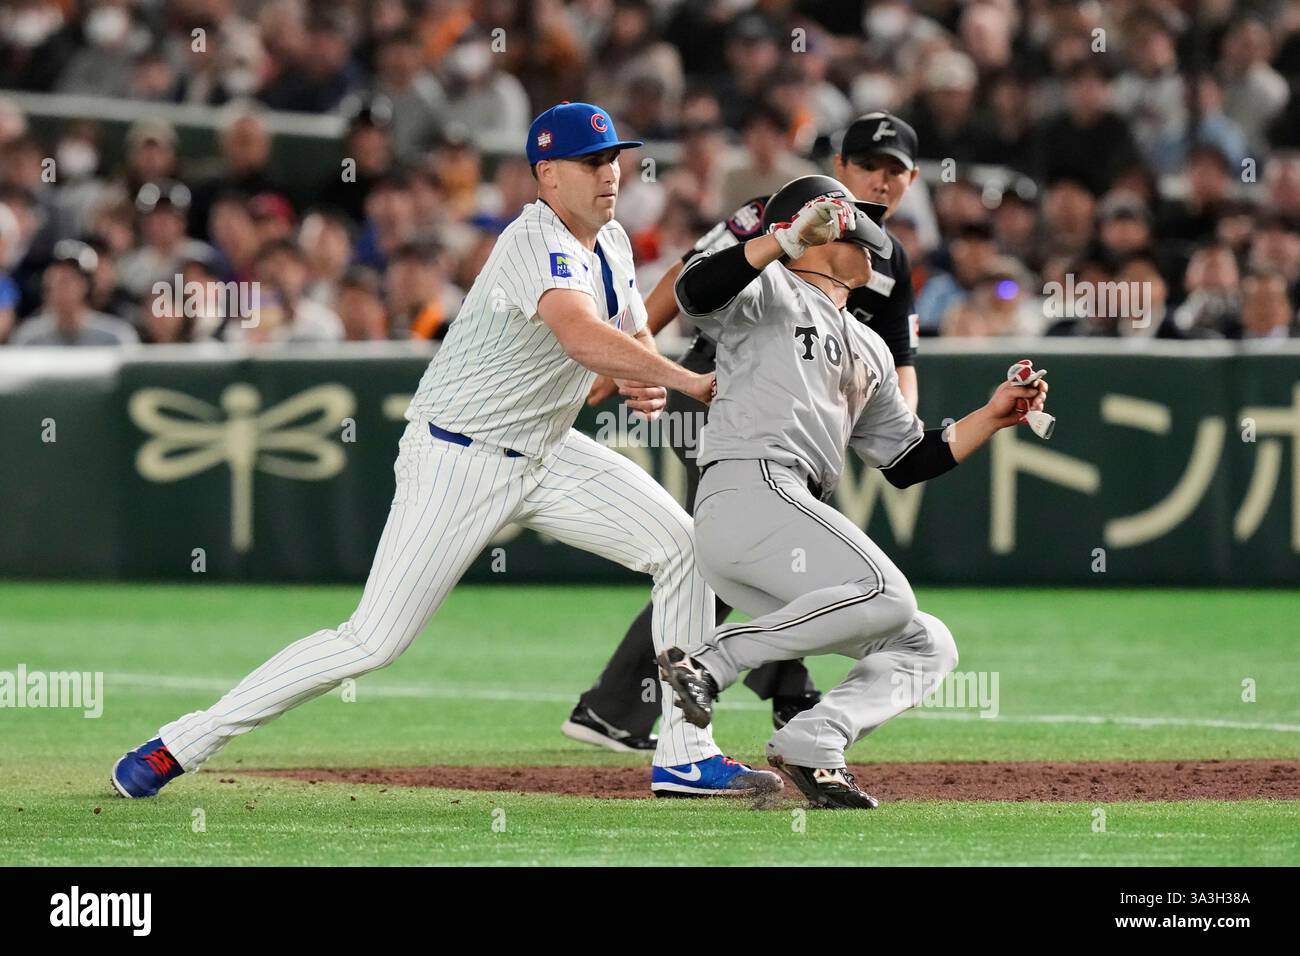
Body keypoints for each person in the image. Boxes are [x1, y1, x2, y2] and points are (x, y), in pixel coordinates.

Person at [110, 102, 781, 802]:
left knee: (686, 551)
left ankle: (683, 755)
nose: (610, 172)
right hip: (460, 458)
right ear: (547, 175)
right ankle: (180, 743)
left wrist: (644, 375)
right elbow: (581, 337)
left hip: (545, 451)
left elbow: (628, 331)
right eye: (591, 161)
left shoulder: (609, 237)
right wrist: (684, 382)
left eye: (614, 158)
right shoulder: (533, 241)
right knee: (372, 642)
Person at [657, 174, 1050, 809]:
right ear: (812, 232)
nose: (872, 239)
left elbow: (907, 459)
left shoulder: (866, 339)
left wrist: (993, 415)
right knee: (889, 593)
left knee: (926, 641)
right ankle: (713, 660)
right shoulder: (765, 287)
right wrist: (780, 241)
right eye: (854, 225)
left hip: (783, 523)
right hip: (750, 486)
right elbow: (691, 289)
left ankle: (814, 739)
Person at [564, 113, 923, 753]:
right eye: (869, 165)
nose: (882, 179)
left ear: (913, 180)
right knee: (753, 538)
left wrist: (895, 423)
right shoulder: (784, 211)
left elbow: (899, 360)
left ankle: (619, 708)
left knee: (736, 556)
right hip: (720, 382)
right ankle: (787, 690)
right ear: (840, 168)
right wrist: (628, 351)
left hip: (807, 411)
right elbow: (689, 274)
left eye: (895, 170)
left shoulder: (889, 258)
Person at [9, 240, 137, 346]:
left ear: (86, 285)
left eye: (68, 280)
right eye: (54, 280)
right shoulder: (29, 337)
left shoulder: (114, 336)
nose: (59, 287)